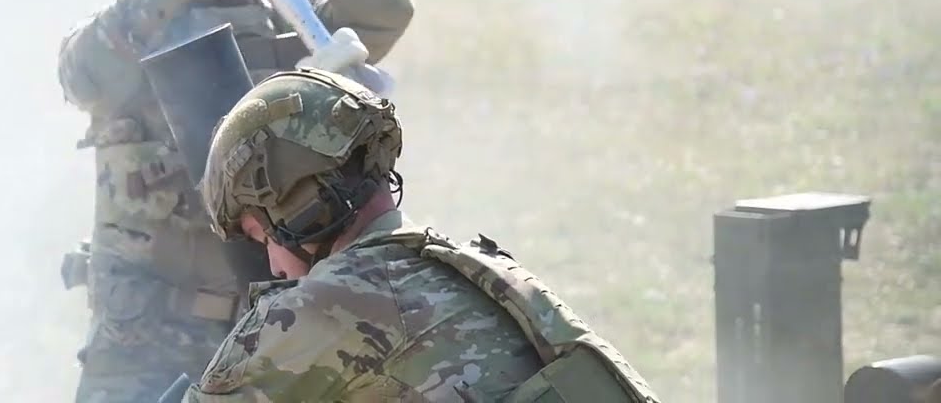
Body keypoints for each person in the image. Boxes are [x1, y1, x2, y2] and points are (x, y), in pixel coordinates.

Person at [55, 0, 415, 402]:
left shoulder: (294, 31)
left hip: (279, 340)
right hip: (140, 347)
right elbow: (84, 76)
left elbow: (389, 12)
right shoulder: (130, 34)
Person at [181, 67, 661, 402]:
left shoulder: (321, 308)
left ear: (293, 198)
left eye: (260, 235)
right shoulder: (479, 273)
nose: (272, 264)